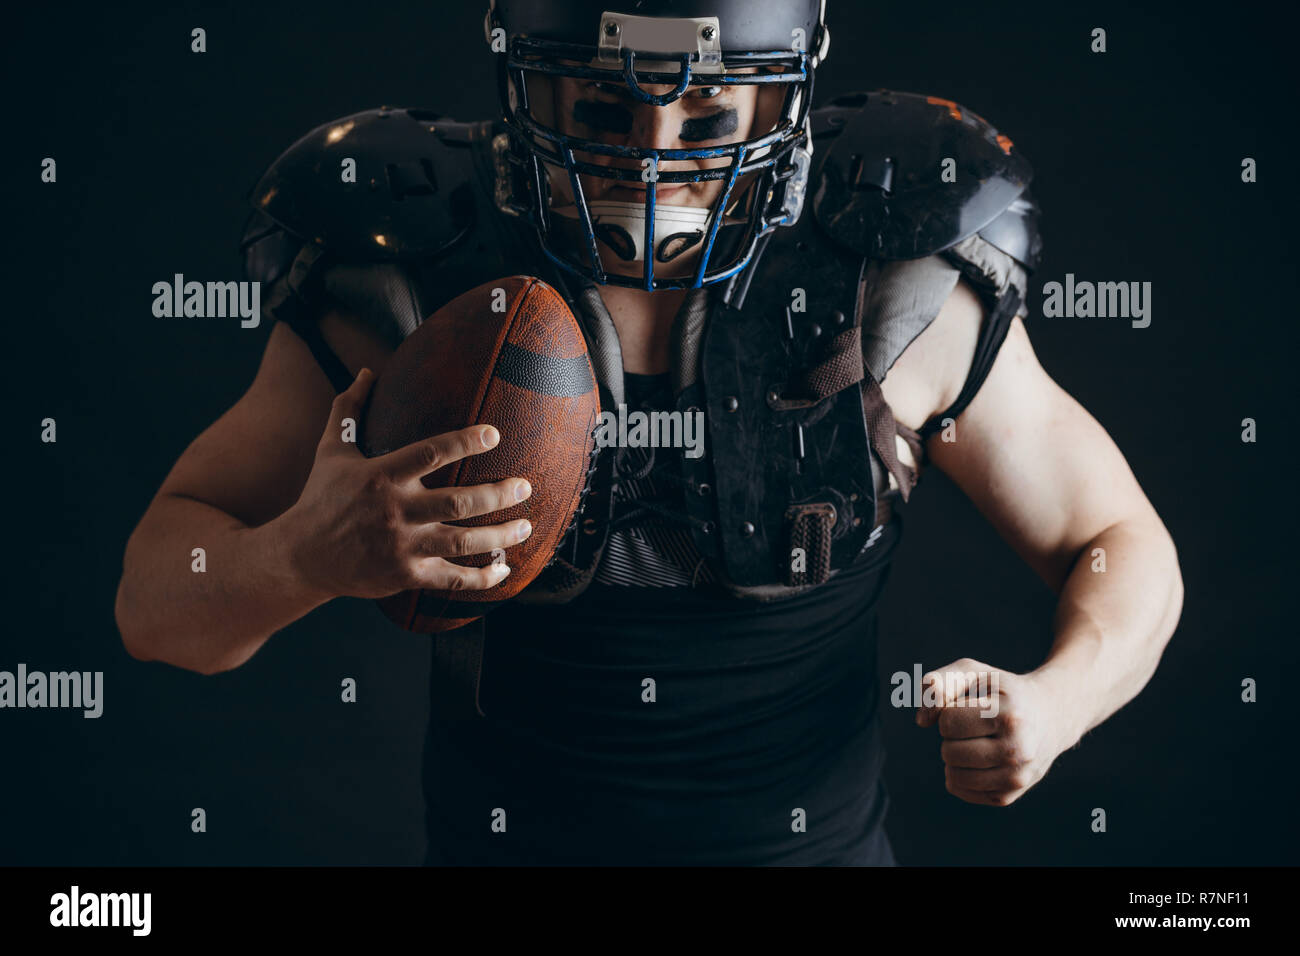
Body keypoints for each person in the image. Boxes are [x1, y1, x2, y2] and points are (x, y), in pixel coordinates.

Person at [115, 0, 1183, 865]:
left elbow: (1119, 540)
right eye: (608, 111)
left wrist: (1060, 697)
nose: (657, 156)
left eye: (709, 118)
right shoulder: (405, 285)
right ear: (525, 83)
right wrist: (298, 555)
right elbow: (157, 604)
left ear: (784, 92)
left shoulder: (896, 288)